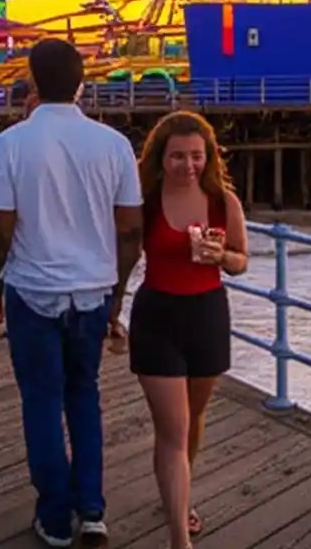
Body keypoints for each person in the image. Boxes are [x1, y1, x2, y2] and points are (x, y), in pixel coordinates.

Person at [0, 39, 144, 548]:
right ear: (81, 82)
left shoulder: (11, 144)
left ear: (32, 80)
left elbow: (0, 226)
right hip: (92, 292)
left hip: (32, 290)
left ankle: (54, 517)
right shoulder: (113, 144)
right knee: (84, 397)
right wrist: (116, 293)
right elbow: (131, 231)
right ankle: (92, 509)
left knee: (42, 402)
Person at [118, 111, 248, 549]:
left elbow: (242, 261)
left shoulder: (223, 201)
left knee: (191, 422)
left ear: (208, 156)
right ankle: (179, 538)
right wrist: (110, 309)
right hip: (157, 316)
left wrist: (221, 258)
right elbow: (123, 255)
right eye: (177, 156)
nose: (187, 165)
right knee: (172, 429)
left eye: (196, 156)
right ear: (160, 157)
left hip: (207, 314)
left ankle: (178, 497)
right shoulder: (146, 200)